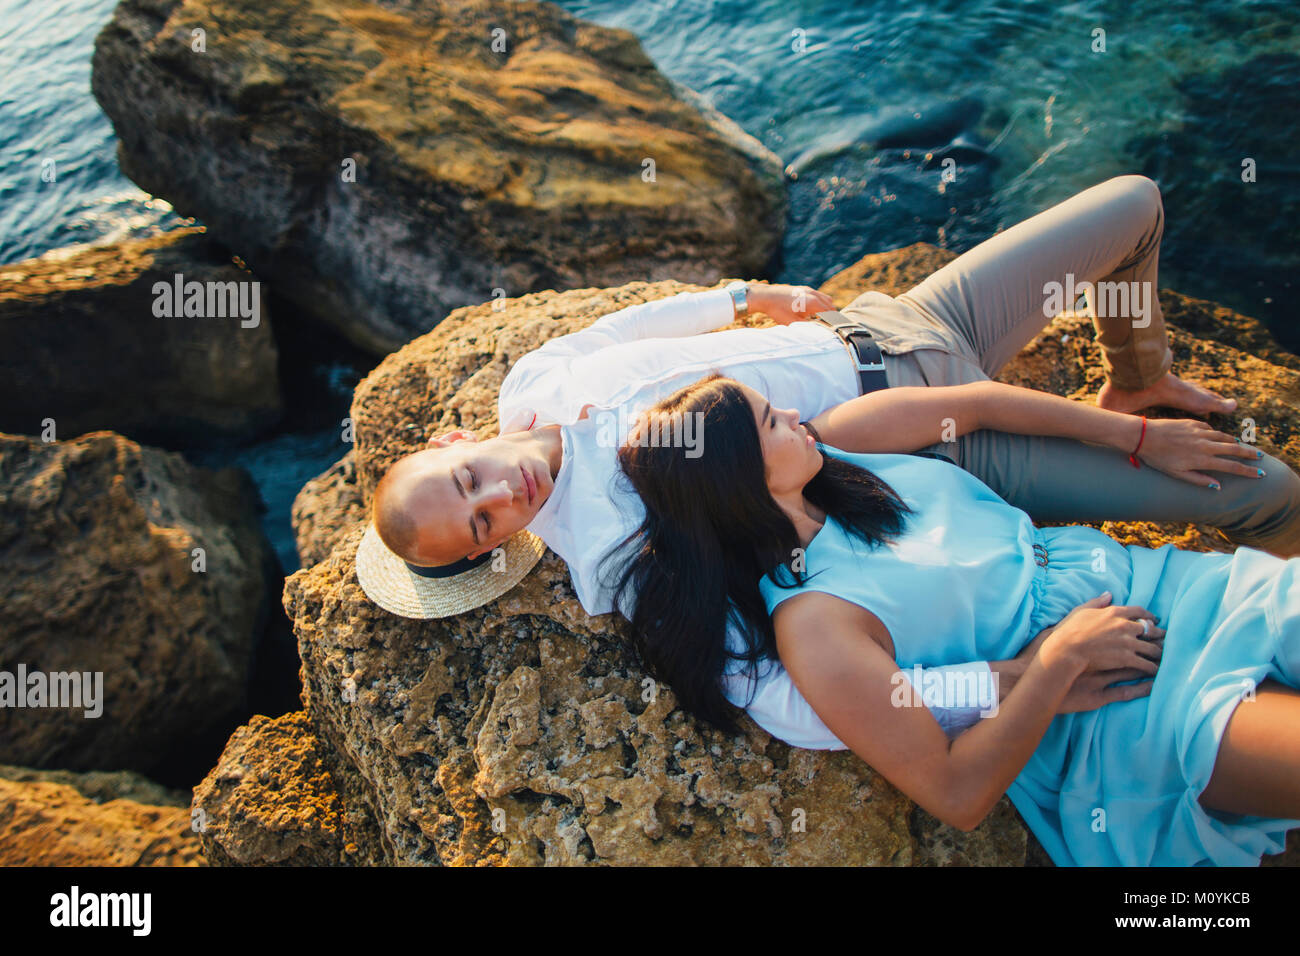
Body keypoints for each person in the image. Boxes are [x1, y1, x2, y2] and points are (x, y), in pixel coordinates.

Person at [355, 173, 1300, 744]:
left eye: (467, 479)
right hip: (945, 448)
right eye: (482, 524)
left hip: (901, 324)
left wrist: (739, 297)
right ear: (496, 549)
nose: (499, 494)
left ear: (455, 442)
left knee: (1133, 208)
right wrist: (1017, 682)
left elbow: (624, 326)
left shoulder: (532, 381)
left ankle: (1139, 375)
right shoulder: (614, 554)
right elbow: (790, 699)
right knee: (1265, 493)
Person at [608, 372, 1300, 866]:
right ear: (738, 479)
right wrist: (1053, 667)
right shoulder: (815, 624)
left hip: (1176, 586)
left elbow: (974, 403)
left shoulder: (837, 451)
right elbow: (954, 792)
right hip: (1122, 707)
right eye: (771, 421)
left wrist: (1139, 434)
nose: (794, 413)